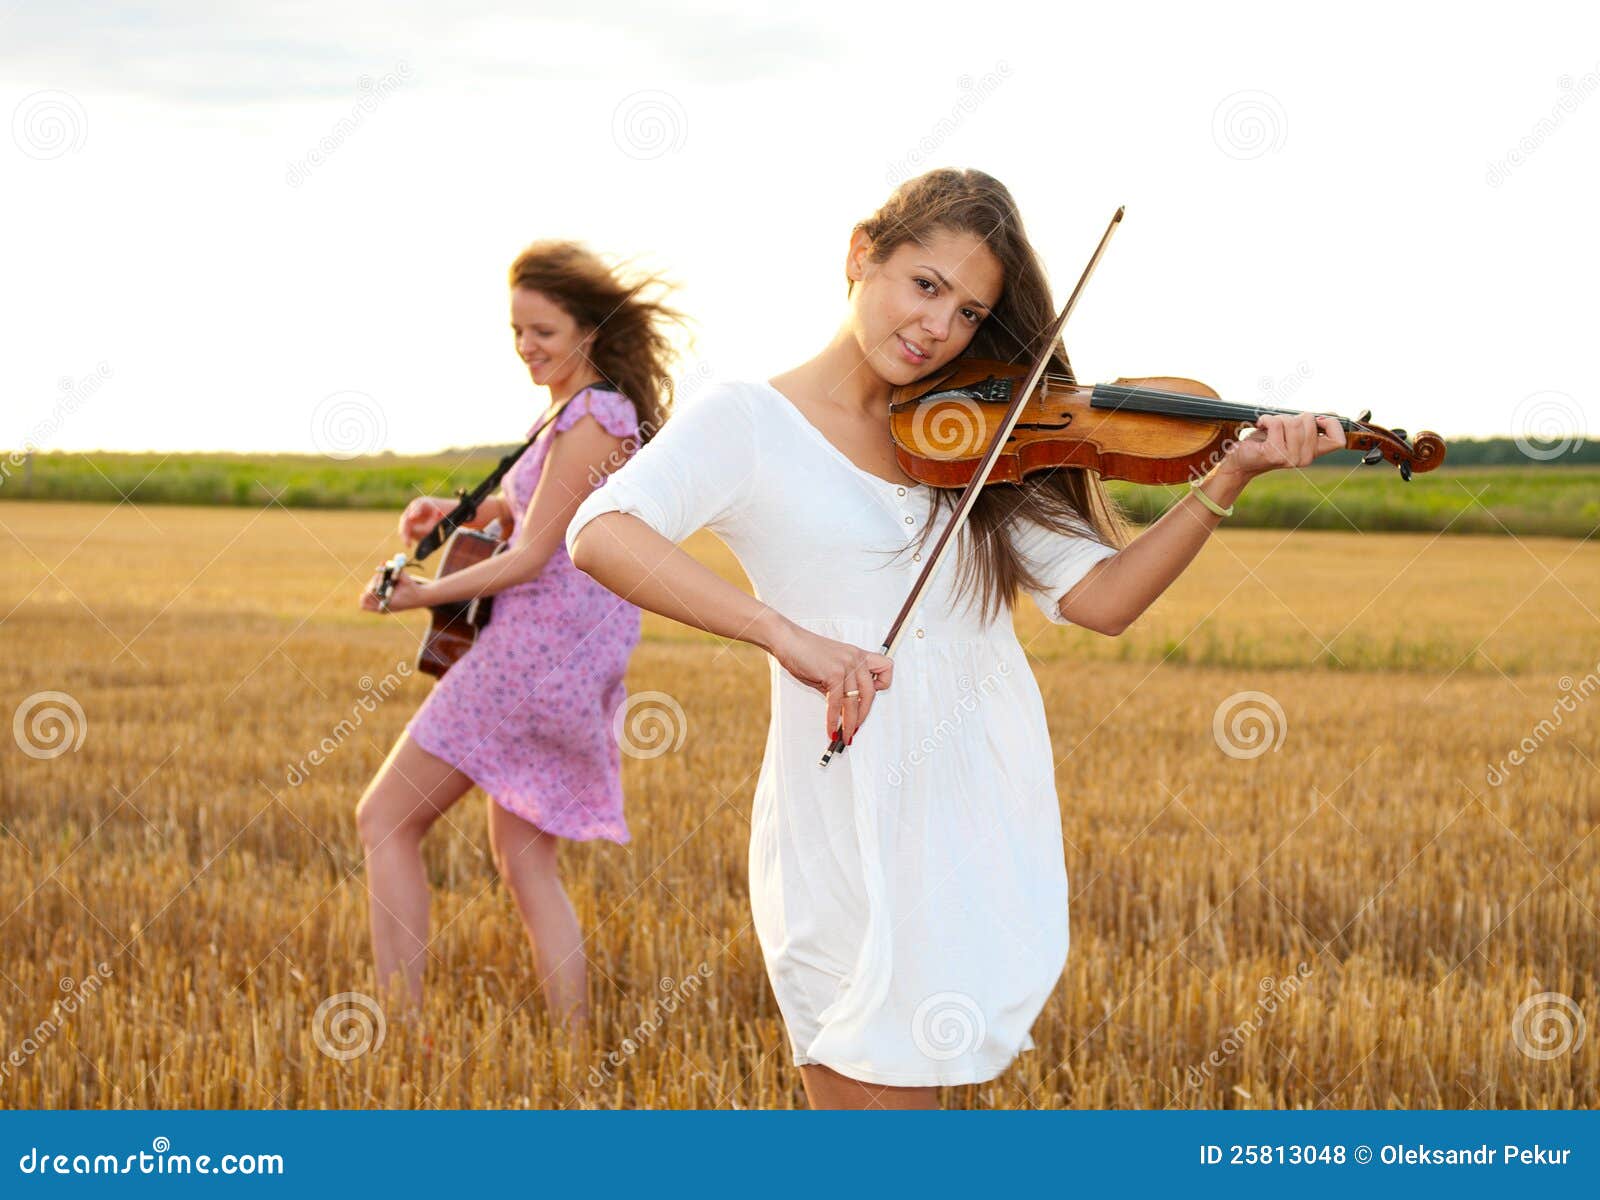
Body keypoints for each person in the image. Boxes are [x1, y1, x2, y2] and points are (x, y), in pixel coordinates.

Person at [564, 168, 1345, 1108]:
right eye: (925, 285)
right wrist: (782, 635)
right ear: (862, 255)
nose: (940, 328)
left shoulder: (981, 431)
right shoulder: (749, 419)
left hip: (972, 801)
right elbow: (601, 531)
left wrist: (1224, 480)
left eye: (971, 313)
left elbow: (1101, 599)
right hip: (844, 805)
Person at [357, 240, 683, 1035]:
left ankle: (402, 1029)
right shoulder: (578, 414)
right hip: (565, 661)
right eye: (517, 332)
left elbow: (536, 555)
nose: (527, 348)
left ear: (589, 328)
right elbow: (533, 516)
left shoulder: (593, 416)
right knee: (526, 861)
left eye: (543, 331)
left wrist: (424, 592)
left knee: (386, 822)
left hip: (532, 658)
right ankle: (573, 1051)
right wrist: (454, 510)